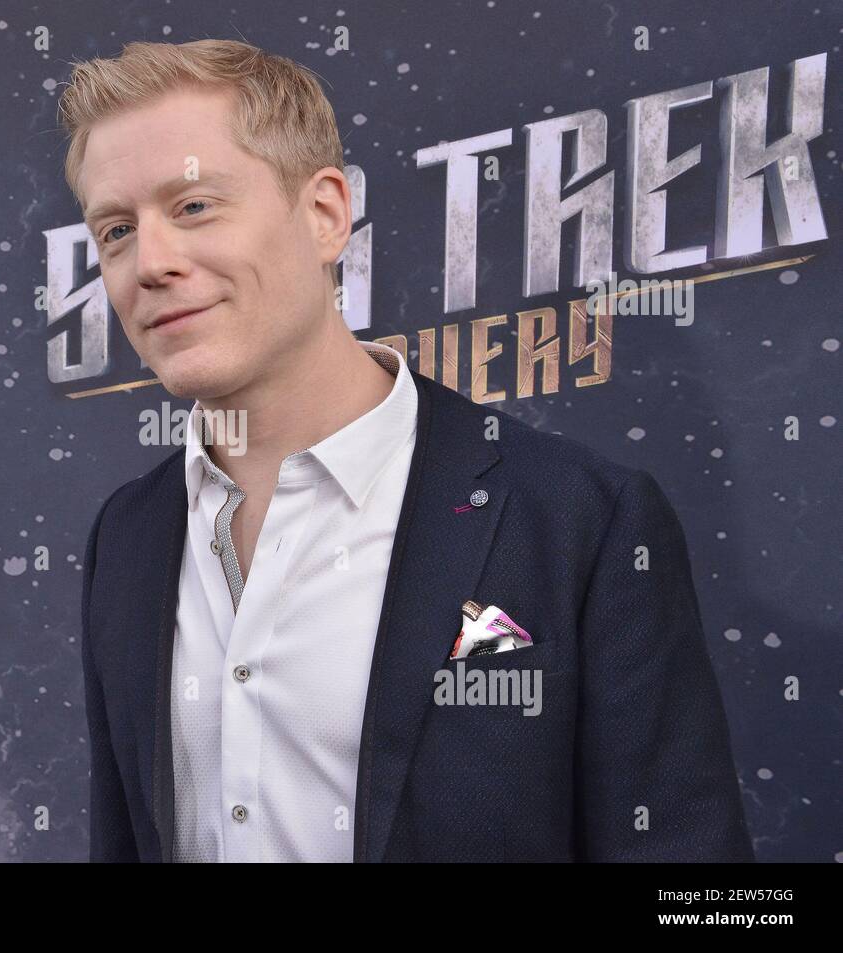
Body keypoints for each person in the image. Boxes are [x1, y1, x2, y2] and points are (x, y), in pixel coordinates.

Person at [60, 38, 754, 862]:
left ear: (324, 214)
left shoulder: (579, 520)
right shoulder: (127, 538)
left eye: (195, 206)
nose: (152, 263)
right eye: (114, 231)